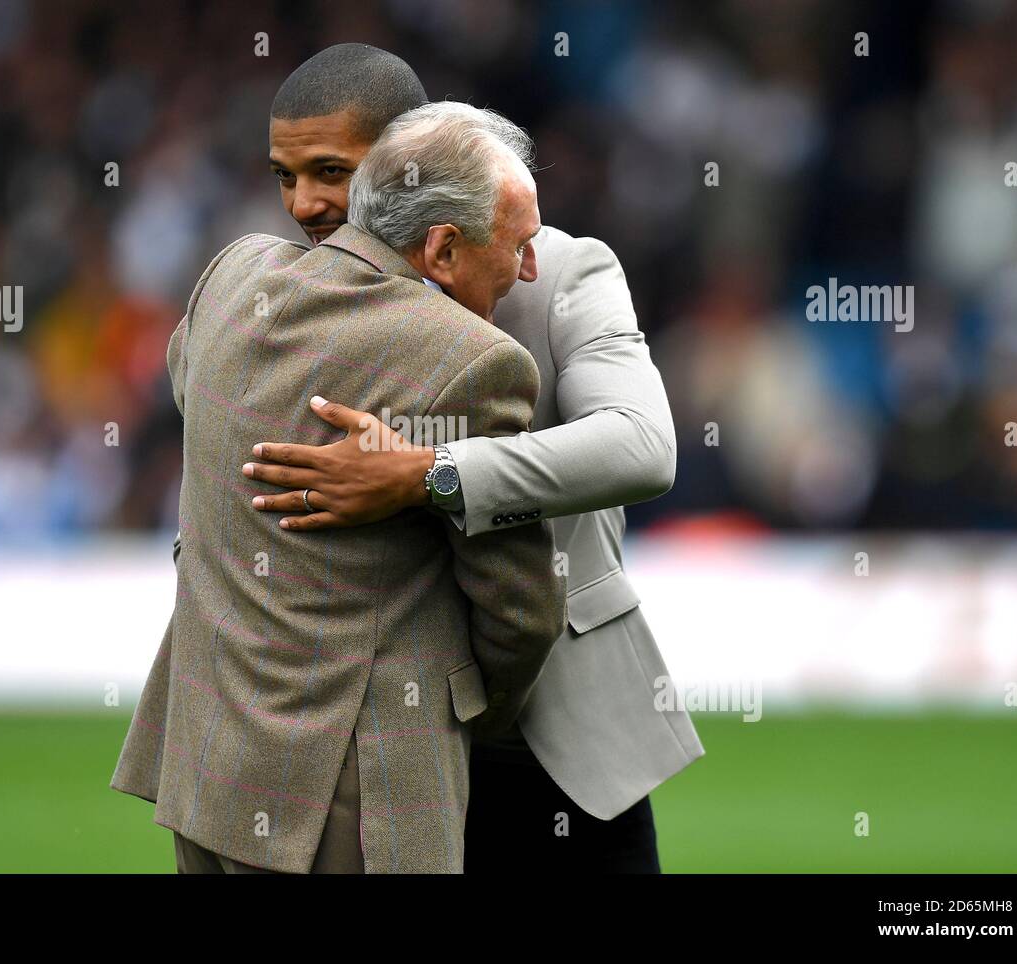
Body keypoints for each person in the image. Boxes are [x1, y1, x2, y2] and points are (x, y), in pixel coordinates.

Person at [247, 44, 705, 873]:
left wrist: (430, 476)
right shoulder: (290, 297)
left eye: (329, 171)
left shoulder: (556, 267)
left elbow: (640, 445)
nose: (306, 204)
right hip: (381, 744)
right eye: (285, 176)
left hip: (555, 731)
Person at [110, 100, 566, 874]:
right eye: (519, 245)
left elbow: (193, 386)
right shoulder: (479, 361)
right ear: (444, 247)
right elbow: (521, 610)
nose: (529, 269)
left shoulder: (234, 275)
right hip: (354, 794)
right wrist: (477, 715)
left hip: (205, 768)